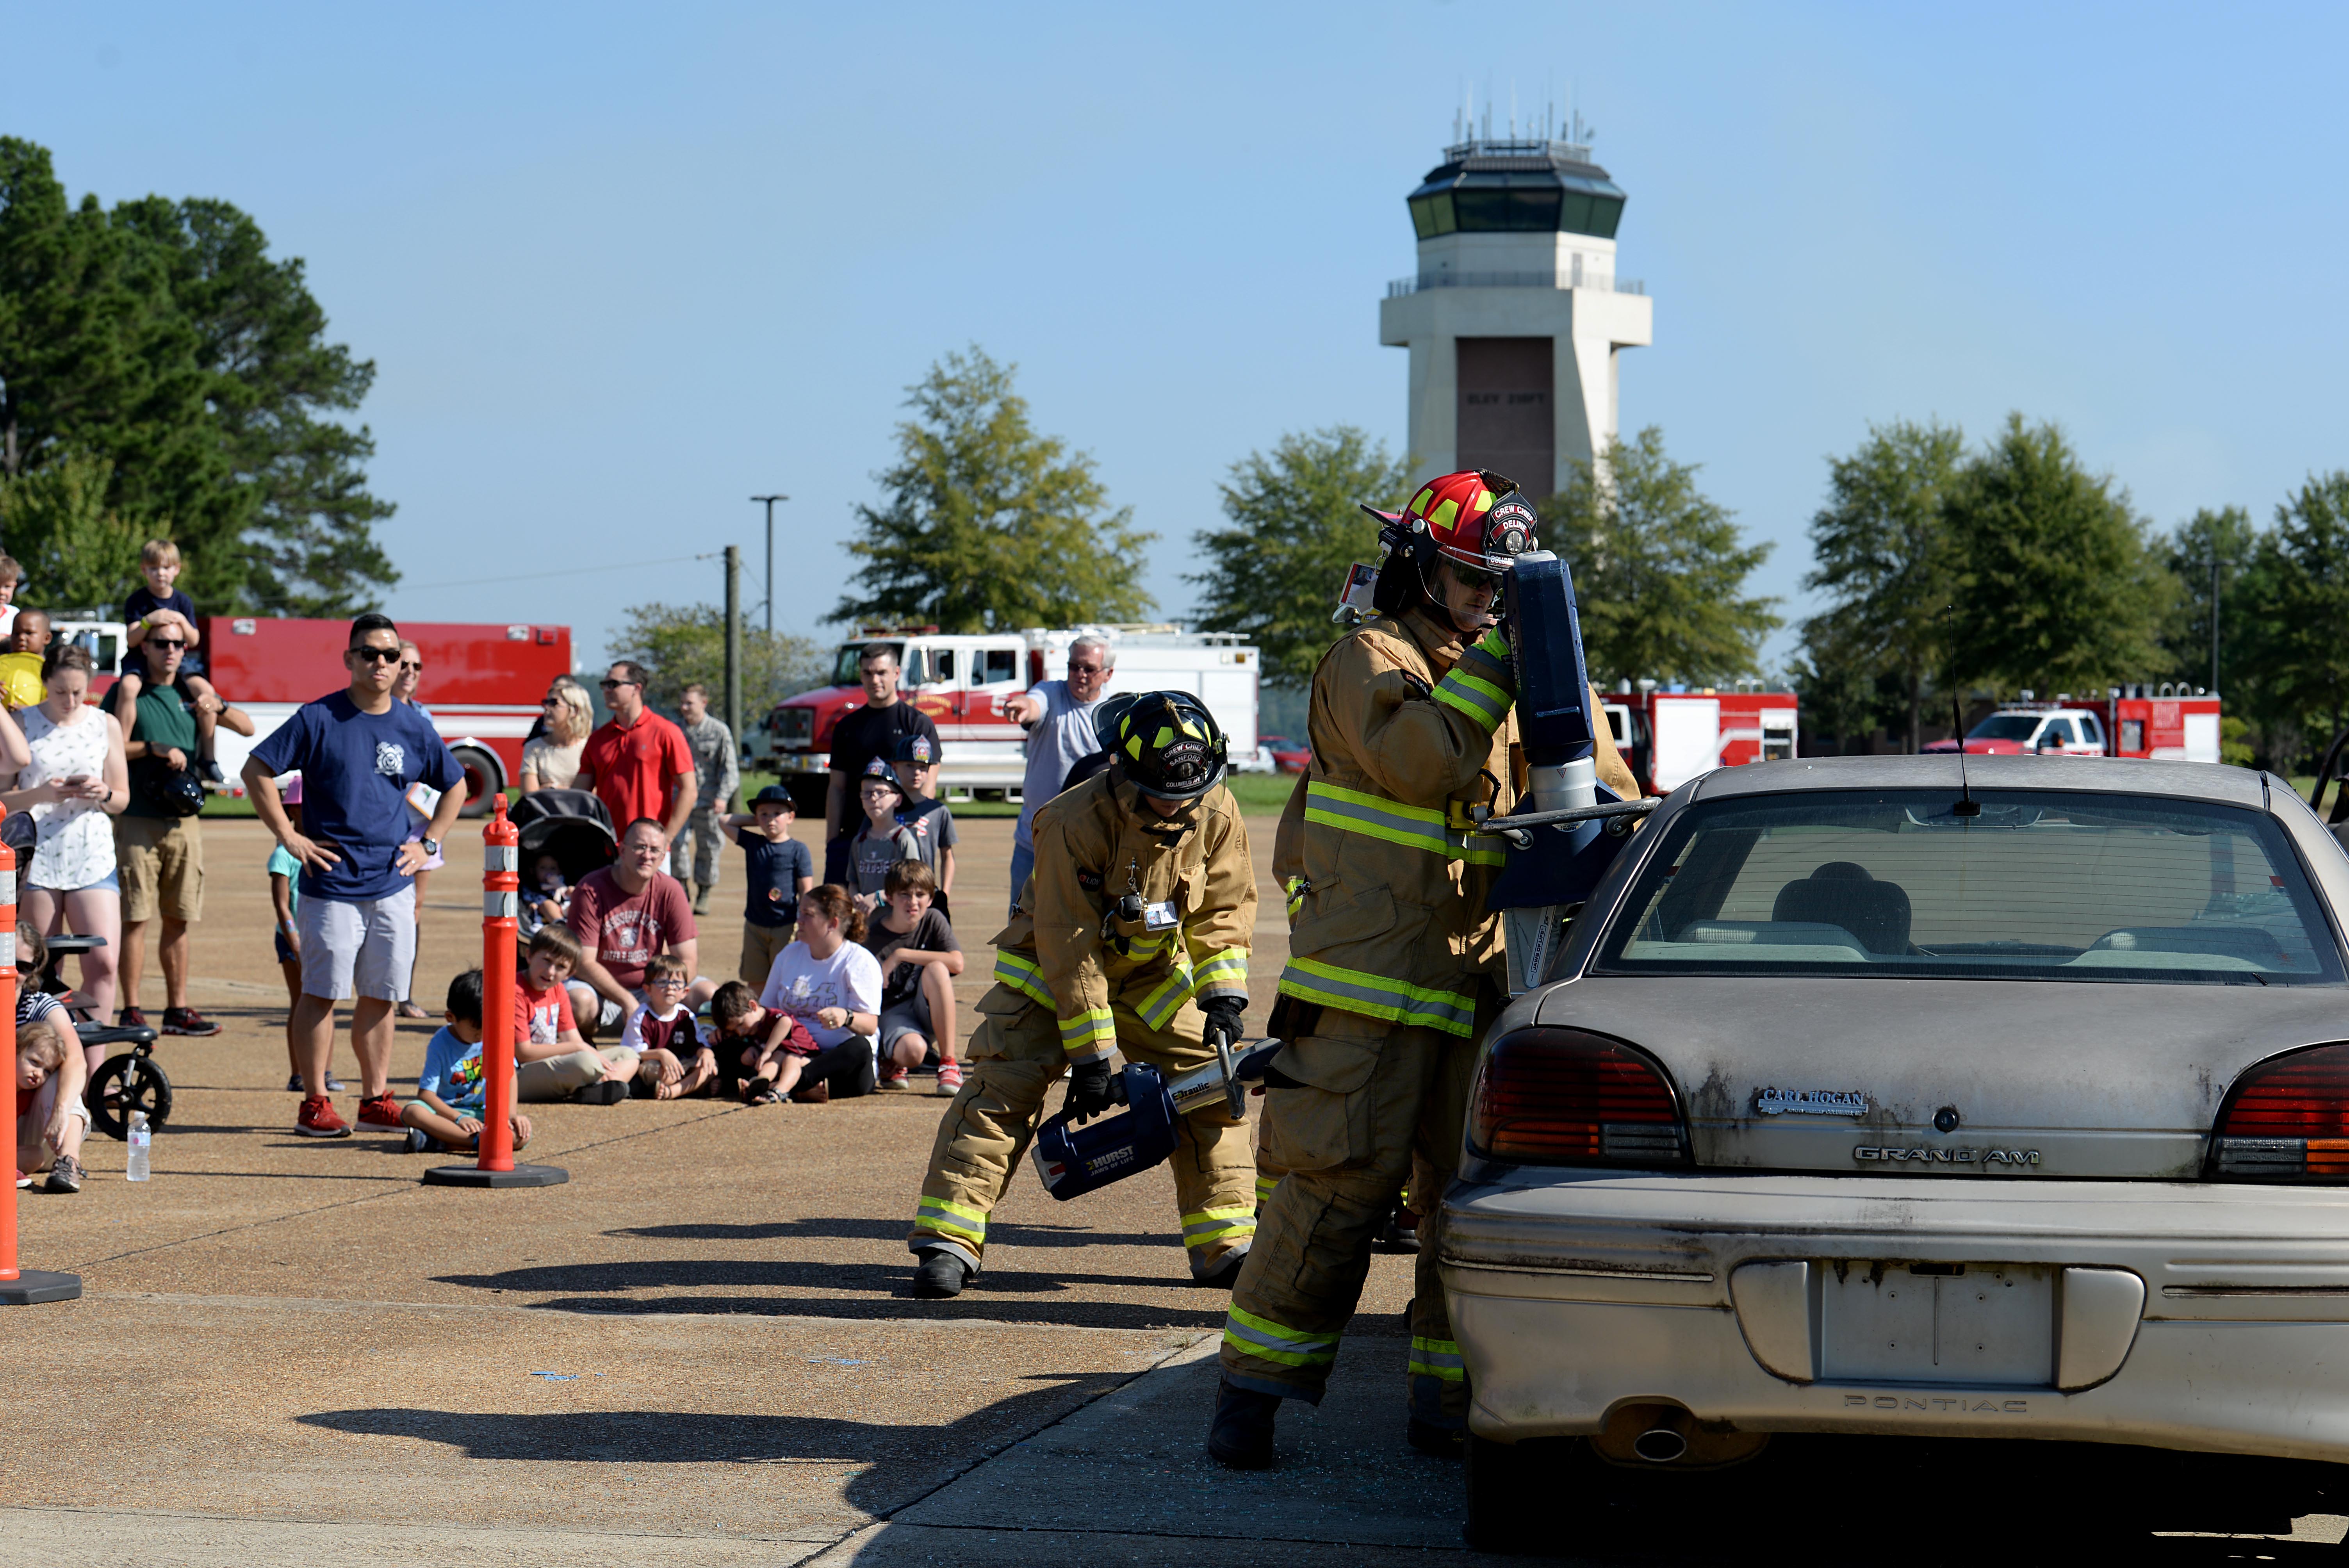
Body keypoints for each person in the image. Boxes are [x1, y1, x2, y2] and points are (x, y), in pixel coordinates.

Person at [1210, 472, 1638, 1470]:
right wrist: (1502, 657)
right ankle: (1250, 1395)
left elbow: (1604, 799)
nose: (1486, 602)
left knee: (1467, 1200)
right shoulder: (1369, 659)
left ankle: (1449, 1403)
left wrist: (1565, 701)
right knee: (1334, 1193)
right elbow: (1419, 759)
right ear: (1417, 568)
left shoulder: (1520, 671)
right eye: (1467, 578)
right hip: (1366, 997)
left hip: (1484, 986)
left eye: (1500, 588)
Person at [905, 691, 1256, 1301]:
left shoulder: (1217, 807)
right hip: (1050, 979)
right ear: (1123, 770)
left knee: (1209, 1088)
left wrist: (1223, 995)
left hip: (1151, 978)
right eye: (1164, 796)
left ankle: (1225, 1244)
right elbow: (1069, 944)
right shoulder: (1071, 819)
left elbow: (1224, 909)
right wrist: (1093, 1057)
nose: (1178, 809)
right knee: (1000, 1093)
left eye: (1189, 796)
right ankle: (949, 1242)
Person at [243, 612, 467, 1140]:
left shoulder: (414, 725)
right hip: (332, 886)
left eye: (391, 655)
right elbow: (257, 770)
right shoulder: (318, 718)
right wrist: (289, 836)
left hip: (391, 883)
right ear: (350, 660)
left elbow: (454, 784)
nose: (382, 663)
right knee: (320, 993)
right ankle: (315, 1102)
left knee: (381, 994)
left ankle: (375, 1099)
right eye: (370, 653)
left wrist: (429, 841)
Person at [116, 621, 253, 1037]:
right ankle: (132, 1009)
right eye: (161, 642)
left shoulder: (191, 694)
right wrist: (152, 748)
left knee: (179, 918)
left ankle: (177, 1009)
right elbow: (110, 744)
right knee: (135, 917)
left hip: (184, 821)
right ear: (147, 646)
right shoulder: (132, 691)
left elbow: (247, 727)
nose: (170, 650)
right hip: (138, 816)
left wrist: (217, 704)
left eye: (178, 643)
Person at [5, 645, 130, 1040]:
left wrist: (102, 792)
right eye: (61, 692)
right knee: (37, 969)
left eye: (78, 692)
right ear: (46, 684)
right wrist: (39, 794)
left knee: (104, 962)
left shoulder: (103, 723)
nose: (70, 701)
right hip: (38, 856)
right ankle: (41, 1065)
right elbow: (4, 799)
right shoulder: (22, 722)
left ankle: (96, 1074)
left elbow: (122, 798)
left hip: (91, 853)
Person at [562, 816, 711, 1039]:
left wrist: (661, 996)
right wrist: (627, 1000)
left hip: (655, 991)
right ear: (621, 851)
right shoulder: (591, 889)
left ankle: (698, 1052)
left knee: (710, 996)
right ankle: (587, 1042)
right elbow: (584, 963)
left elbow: (688, 960)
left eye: (655, 850)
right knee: (577, 1002)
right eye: (640, 847)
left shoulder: (671, 890)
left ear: (663, 857)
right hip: (602, 995)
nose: (647, 856)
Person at [1003, 634, 1112, 920]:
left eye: (1089, 668)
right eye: (1073, 666)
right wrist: (1022, 707)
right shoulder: (1051, 692)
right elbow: (1034, 704)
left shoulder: (1111, 717)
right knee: (1022, 927)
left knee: (1076, 929)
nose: (1079, 674)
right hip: (1033, 842)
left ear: (1108, 674)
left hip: (1086, 851)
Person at [114, 539, 226, 784]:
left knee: (207, 693)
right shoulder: (137, 601)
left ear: (177, 570)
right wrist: (148, 621)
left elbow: (194, 639)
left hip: (178, 661)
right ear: (144, 570)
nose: (160, 574)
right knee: (129, 687)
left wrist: (180, 622)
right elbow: (132, 640)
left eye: (166, 568)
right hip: (140, 657)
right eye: (154, 568)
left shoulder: (183, 602)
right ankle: (121, 748)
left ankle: (208, 757)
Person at [757, 884, 882, 1102]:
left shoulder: (859, 961)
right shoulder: (789, 955)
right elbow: (767, 1010)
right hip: (791, 1052)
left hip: (837, 1063)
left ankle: (784, 1085)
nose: (799, 921)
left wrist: (846, 1017)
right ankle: (795, 1088)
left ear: (832, 924)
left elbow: (870, 1026)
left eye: (808, 915)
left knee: (860, 1048)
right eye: (800, 913)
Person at [266, 777, 345, 1094]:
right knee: (301, 1002)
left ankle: (324, 1072)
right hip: (292, 938)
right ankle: (299, 1073)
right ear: (294, 811)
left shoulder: (321, 846)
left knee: (327, 1001)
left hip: (320, 933)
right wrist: (295, 939)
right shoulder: (283, 854)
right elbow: (282, 906)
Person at [402, 969, 535, 1157]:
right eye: (475, 1030)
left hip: (484, 1115)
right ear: (451, 1018)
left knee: (522, 1136)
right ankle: (482, 1144)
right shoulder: (441, 1043)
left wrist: (510, 1115)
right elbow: (426, 1095)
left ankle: (439, 1141)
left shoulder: (495, 1034)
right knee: (413, 1111)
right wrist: (458, 1118)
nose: (482, 1036)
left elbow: (509, 1075)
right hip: (447, 1115)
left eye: (487, 1027)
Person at [860, 858, 963, 1097]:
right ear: (889, 897)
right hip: (893, 1013)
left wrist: (900, 955)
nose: (913, 902)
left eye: (920, 895)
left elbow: (957, 963)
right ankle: (892, 1057)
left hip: (926, 1008)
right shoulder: (872, 937)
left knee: (938, 968)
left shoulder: (933, 919)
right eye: (905, 894)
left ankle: (949, 1064)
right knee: (913, 1052)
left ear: (930, 898)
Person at [508, 924, 638, 1103]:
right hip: (519, 1074)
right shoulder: (516, 991)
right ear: (529, 955)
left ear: (570, 974)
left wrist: (581, 1049)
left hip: (553, 1065)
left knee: (629, 1055)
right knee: (584, 1062)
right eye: (546, 960)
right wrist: (581, 1049)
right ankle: (596, 1085)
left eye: (561, 967)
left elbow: (572, 1039)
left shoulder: (558, 990)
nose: (551, 972)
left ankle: (590, 1089)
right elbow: (524, 1053)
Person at [823, 643, 939, 839]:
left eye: (881, 673)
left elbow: (928, 786)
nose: (874, 680)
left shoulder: (918, 725)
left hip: (902, 836)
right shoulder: (846, 728)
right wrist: (832, 841)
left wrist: (914, 834)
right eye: (868, 673)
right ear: (861, 675)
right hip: (855, 837)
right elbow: (837, 788)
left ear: (896, 673)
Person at [574, 661, 693, 845]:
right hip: (607, 845)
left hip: (650, 850)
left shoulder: (666, 732)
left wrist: (665, 839)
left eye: (613, 685)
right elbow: (579, 795)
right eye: (604, 685)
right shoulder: (598, 739)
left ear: (636, 689)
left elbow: (689, 790)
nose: (606, 690)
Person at [392, 641, 445, 1019]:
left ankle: (403, 994)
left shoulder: (423, 715)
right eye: (404, 663)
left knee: (414, 910)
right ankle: (378, 990)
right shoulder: (376, 709)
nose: (410, 671)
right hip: (384, 827)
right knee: (381, 909)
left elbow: (436, 769)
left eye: (417, 666)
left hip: (420, 829)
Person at [719, 784, 813, 987]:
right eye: (764, 814)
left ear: (791, 817)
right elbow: (724, 821)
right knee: (757, 980)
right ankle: (759, 1017)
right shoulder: (755, 844)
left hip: (786, 925)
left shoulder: (798, 850)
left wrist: (804, 920)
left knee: (785, 979)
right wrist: (757, 820)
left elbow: (806, 890)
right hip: (755, 925)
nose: (771, 819)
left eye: (778, 813)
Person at [671, 682, 738, 915]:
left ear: (704, 703)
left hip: (709, 801)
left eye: (689, 703)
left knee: (709, 848)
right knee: (677, 844)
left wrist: (722, 797)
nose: (685, 708)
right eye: (682, 703)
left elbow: (729, 769)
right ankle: (680, 887)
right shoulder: (674, 731)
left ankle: (704, 892)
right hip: (679, 800)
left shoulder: (719, 731)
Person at [706, 980, 823, 1105]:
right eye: (735, 1031)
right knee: (776, 1058)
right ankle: (761, 1083)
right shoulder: (752, 1029)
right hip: (782, 1061)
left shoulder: (771, 1016)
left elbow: (786, 1022)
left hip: (808, 1059)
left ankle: (779, 1091)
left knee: (787, 1058)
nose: (740, 1032)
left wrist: (767, 1052)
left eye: (740, 1025)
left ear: (753, 1006)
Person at [621, 953, 714, 1099]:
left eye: (677, 984)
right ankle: (693, 1087)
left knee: (711, 1068)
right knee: (662, 1074)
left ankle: (673, 1091)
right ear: (648, 990)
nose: (670, 988)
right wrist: (662, 1054)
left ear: (685, 992)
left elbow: (699, 1044)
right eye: (662, 983)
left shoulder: (686, 1016)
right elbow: (635, 1053)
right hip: (653, 1066)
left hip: (681, 1064)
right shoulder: (641, 1016)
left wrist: (706, 1054)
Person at [836, 759, 920, 912]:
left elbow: (913, 884)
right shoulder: (859, 841)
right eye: (867, 793)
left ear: (898, 799)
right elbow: (853, 882)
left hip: (895, 923)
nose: (873, 799)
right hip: (866, 924)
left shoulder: (903, 840)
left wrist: (879, 897)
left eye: (881, 793)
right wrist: (855, 896)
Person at [14, 1018, 86, 1193]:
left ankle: (69, 1161)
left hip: (19, 1146)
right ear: (15, 1051)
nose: (38, 1074)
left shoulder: (32, 1092)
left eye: (46, 1071)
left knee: (35, 1156)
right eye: (34, 1062)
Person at [889, 731, 958, 911]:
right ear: (895, 766)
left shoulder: (938, 811)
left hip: (925, 893)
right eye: (910, 765)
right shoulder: (885, 809)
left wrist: (944, 893)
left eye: (923, 767)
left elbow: (947, 856)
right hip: (891, 892)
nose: (917, 772)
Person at [520, 677, 593, 793]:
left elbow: (594, 795)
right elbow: (529, 797)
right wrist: (571, 791)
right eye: (546, 703)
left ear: (575, 710)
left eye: (554, 703)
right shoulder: (534, 748)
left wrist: (552, 790)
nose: (547, 708)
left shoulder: (590, 748)